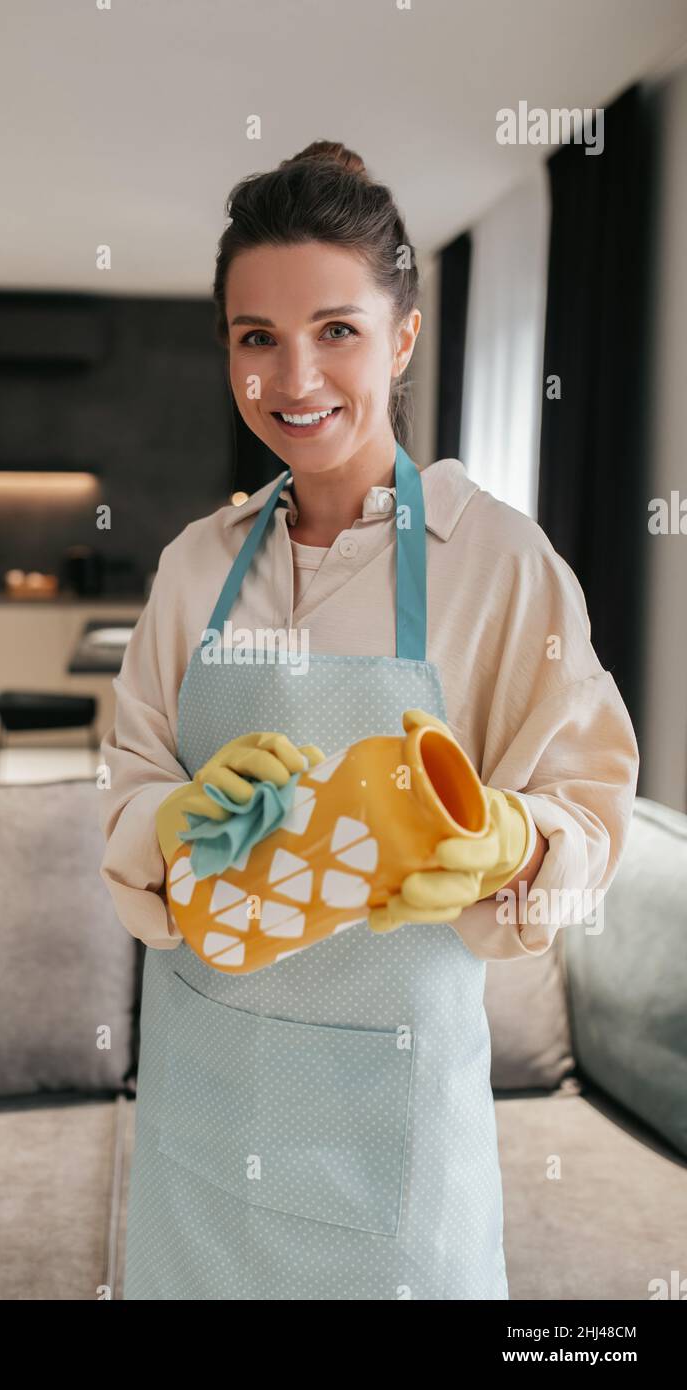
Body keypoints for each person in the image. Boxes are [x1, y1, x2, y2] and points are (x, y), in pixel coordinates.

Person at [97, 140, 640, 1300]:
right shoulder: (196, 566)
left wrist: (515, 841)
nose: (295, 376)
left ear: (402, 338)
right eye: (257, 337)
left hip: (391, 1143)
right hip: (204, 1116)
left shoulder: (497, 563)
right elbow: (126, 786)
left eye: (337, 329)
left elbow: (588, 822)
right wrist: (176, 815)